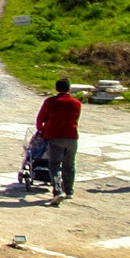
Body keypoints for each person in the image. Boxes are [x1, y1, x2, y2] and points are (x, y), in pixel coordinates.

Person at [35, 77, 81, 205]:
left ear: (56, 89)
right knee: (69, 165)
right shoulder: (76, 103)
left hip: (55, 136)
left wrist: (41, 130)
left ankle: (58, 191)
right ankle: (69, 191)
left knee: (54, 164)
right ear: (69, 89)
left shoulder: (50, 102)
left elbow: (41, 118)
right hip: (72, 137)